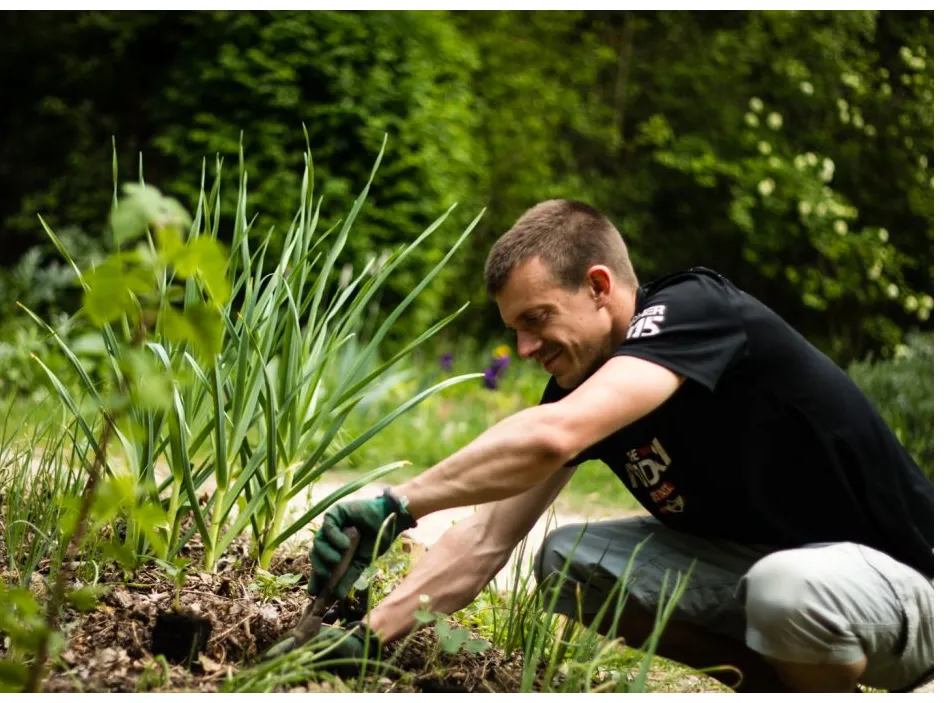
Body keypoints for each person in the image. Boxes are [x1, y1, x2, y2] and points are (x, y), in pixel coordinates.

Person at [305, 199, 934, 693]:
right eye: (514, 330)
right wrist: (365, 638)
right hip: (778, 576)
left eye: (536, 319)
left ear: (600, 287)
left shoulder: (696, 308)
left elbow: (554, 437)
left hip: (903, 587)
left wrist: (398, 501)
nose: (525, 349)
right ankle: (773, 689)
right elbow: (483, 541)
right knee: (570, 562)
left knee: (786, 588)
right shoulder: (578, 388)